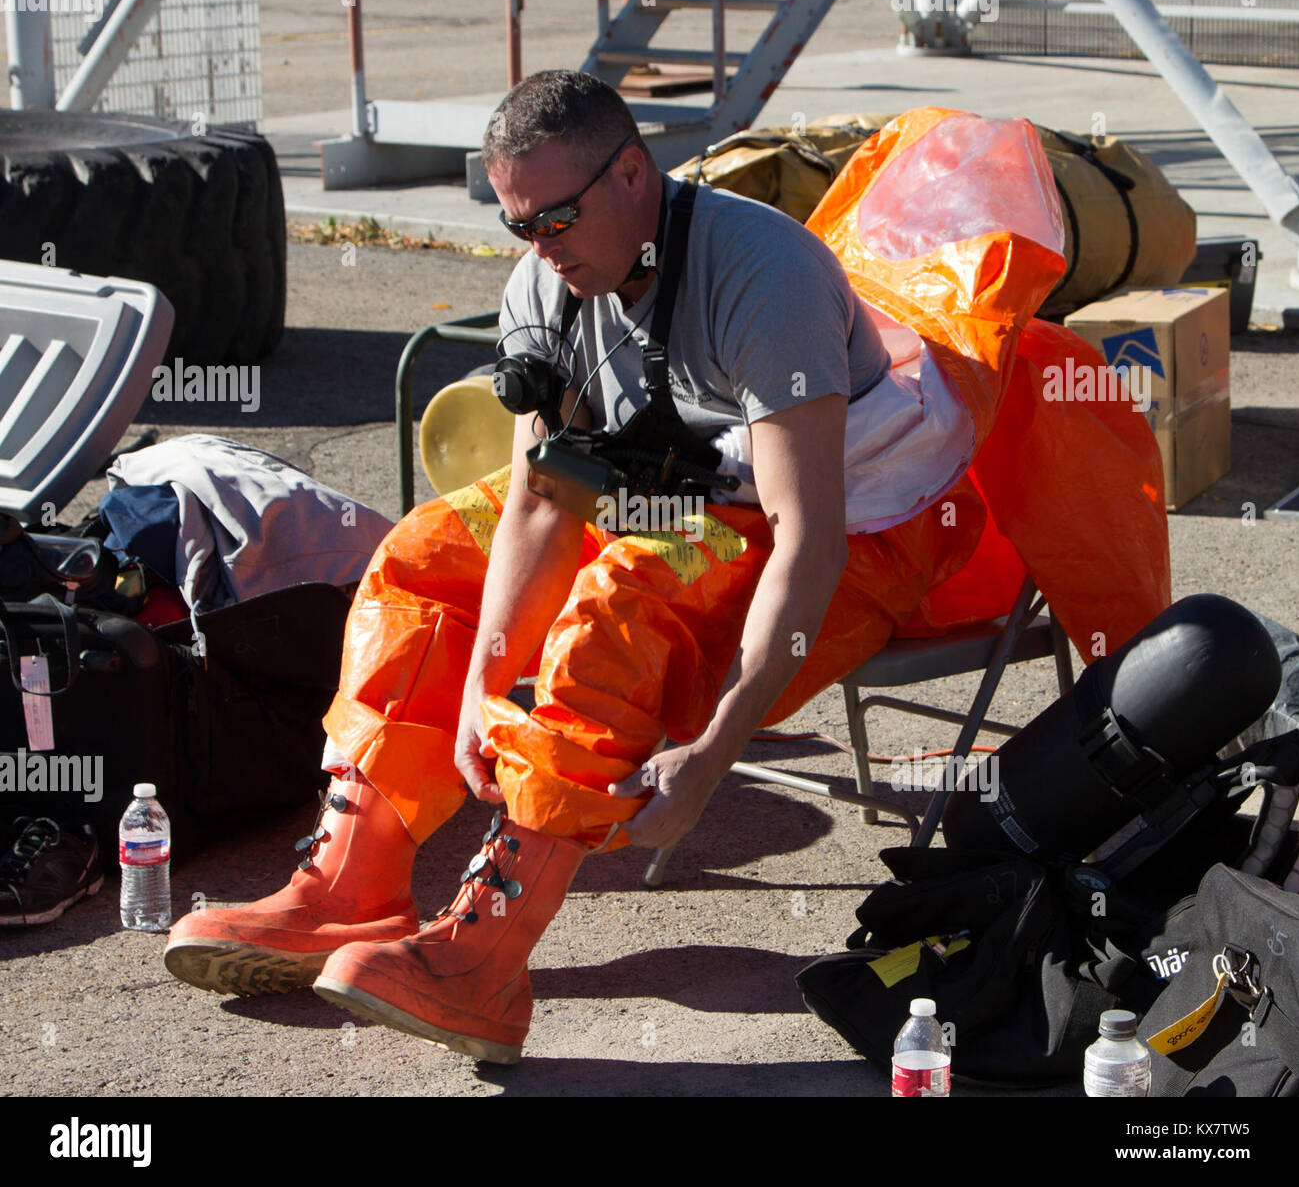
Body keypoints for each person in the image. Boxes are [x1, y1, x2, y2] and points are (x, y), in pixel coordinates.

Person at [162, 72, 1160, 1065]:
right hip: (694, 486)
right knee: (422, 554)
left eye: (555, 218)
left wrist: (715, 751)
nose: (539, 250)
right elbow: (540, 500)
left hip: (863, 522)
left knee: (622, 602)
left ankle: (486, 959)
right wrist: (477, 682)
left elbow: (804, 536)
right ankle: (352, 884)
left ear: (633, 174)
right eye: (517, 226)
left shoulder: (761, 276)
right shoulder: (549, 280)